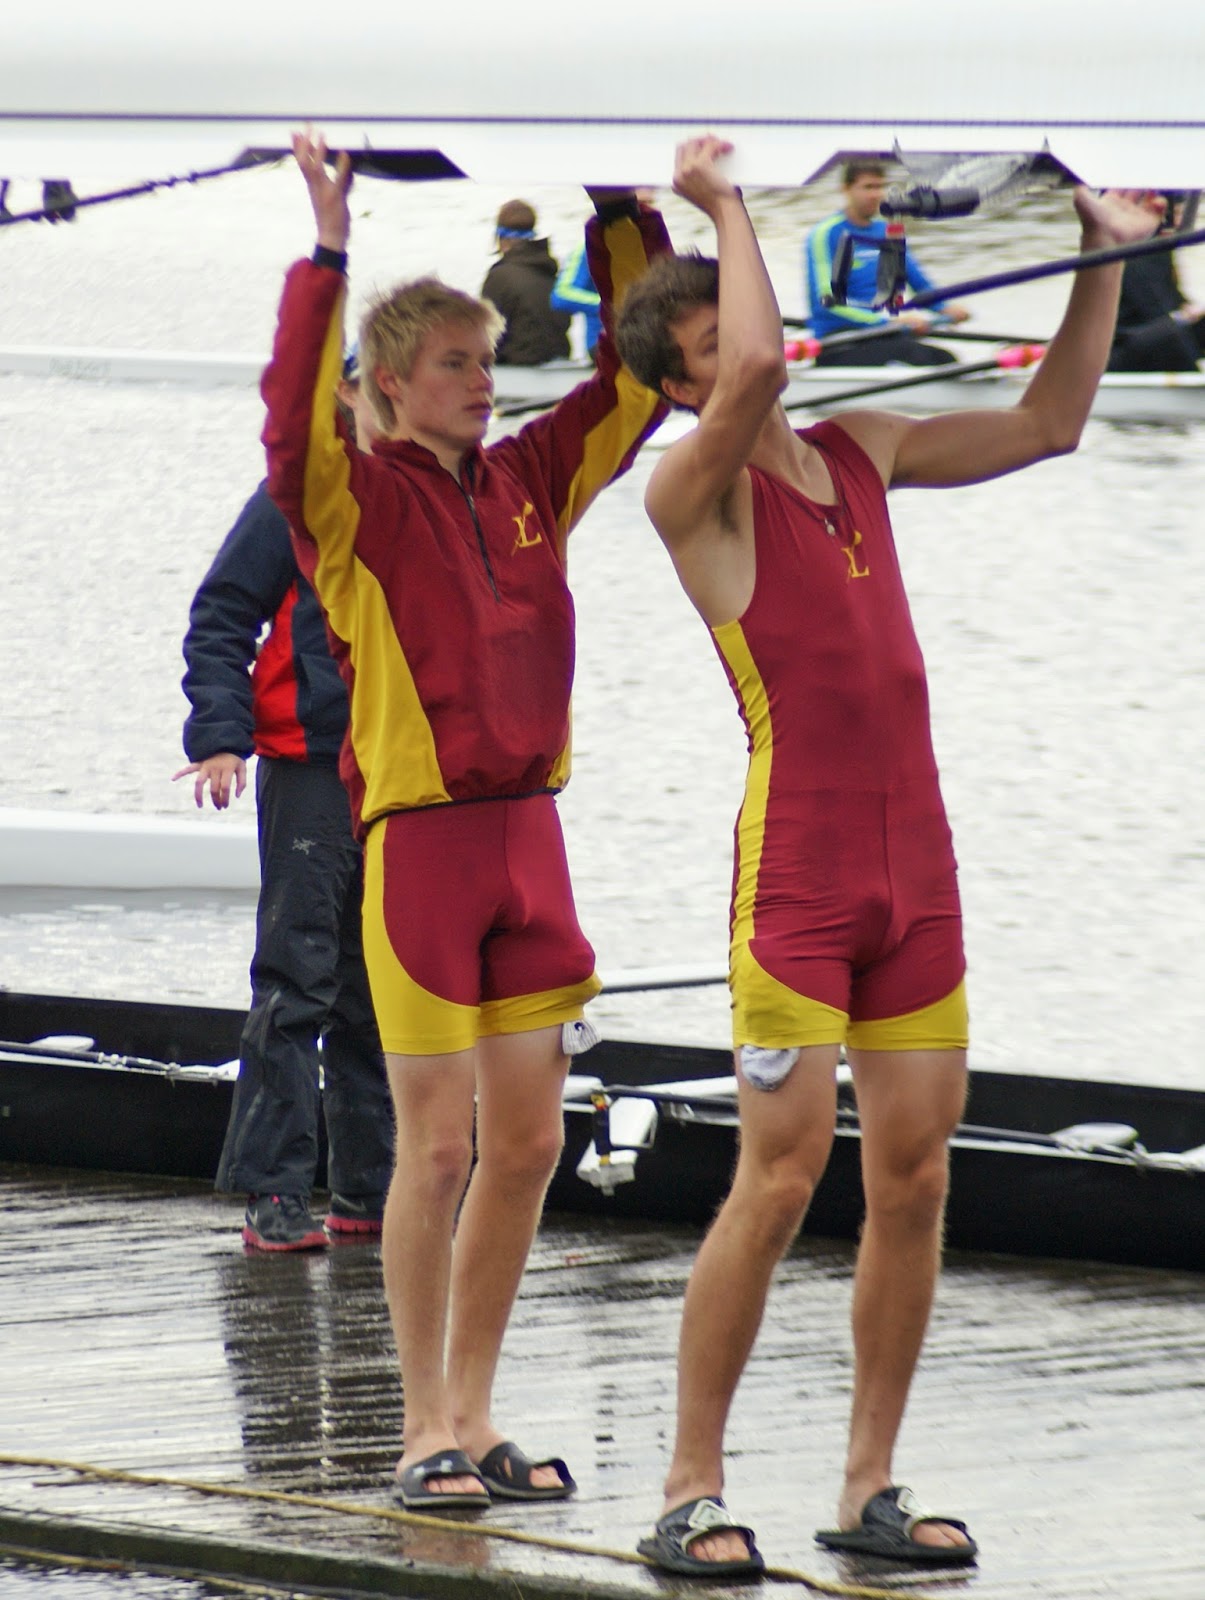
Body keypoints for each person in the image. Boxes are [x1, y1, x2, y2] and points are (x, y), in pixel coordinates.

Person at [615, 134, 1160, 1575]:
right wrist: (724, 202)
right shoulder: (691, 497)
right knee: (780, 1177)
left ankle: (868, 1484)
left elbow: (1048, 424)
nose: (755, 344)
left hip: (914, 883)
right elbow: (748, 382)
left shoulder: (863, 452)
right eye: (718, 339)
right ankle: (686, 1485)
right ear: (682, 380)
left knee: (914, 1178)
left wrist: (1105, 252)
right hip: (793, 884)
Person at [260, 129, 668, 1508]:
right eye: (456, 364)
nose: (485, 386)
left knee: (535, 1144)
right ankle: (422, 1421)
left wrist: (621, 201)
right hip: (423, 855)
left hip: (532, 844)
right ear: (388, 383)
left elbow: (636, 380)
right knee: (435, 1149)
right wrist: (327, 249)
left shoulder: (532, 483)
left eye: (490, 364)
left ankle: (481, 1408)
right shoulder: (351, 503)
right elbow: (288, 420)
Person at [175, 350, 394, 1253]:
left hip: (403, 778)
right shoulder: (292, 492)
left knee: (379, 992)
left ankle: (370, 1194)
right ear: (345, 392)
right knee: (297, 981)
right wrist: (219, 735)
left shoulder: (432, 491)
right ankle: (271, 1193)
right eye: (370, 382)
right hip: (307, 765)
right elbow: (222, 612)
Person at [805, 160, 970, 365]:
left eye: (879, 186)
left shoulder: (887, 232)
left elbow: (921, 286)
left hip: (879, 334)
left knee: (945, 358)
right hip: (838, 340)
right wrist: (888, 322)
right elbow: (827, 303)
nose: (875, 195)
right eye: (867, 187)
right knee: (916, 355)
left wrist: (944, 308)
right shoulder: (826, 234)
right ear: (846, 190)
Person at [1108, 192, 1204, 372]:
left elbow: (1173, 300)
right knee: (1169, 334)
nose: (1178, 222)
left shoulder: (1162, 251)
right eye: (1174, 214)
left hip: (1149, 334)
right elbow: (1156, 311)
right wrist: (1183, 315)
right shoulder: (1135, 254)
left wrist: (1191, 310)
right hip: (1121, 345)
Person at [480, 198, 572, 365]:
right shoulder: (552, 272)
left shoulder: (499, 276)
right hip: (559, 361)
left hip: (518, 366)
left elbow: (486, 336)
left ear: (501, 239)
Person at [550, 241, 602, 360]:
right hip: (602, 346)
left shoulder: (649, 240)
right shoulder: (588, 248)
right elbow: (561, 295)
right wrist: (611, 305)